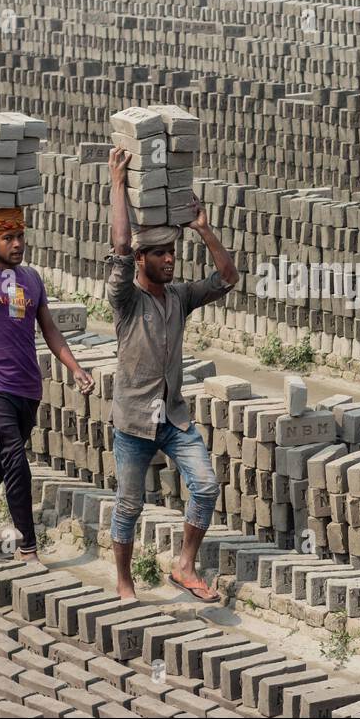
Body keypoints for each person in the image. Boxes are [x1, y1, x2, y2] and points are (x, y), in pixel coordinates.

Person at [0, 138, 95, 562]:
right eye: (7, 237)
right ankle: (28, 545)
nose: (16, 243)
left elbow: (51, 333)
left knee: (7, 455)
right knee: (16, 460)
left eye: (20, 235)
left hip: (30, 386)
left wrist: (76, 369)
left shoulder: (32, 279)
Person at [105, 146, 238, 602]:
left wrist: (202, 229)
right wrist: (118, 184)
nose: (169, 259)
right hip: (134, 420)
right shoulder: (127, 301)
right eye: (159, 253)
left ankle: (185, 565)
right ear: (141, 261)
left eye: (172, 251)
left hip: (173, 417)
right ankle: (124, 581)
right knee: (129, 504)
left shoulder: (179, 297)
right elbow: (120, 247)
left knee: (204, 485)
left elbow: (227, 279)